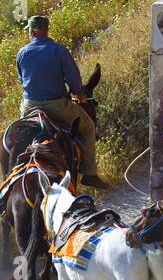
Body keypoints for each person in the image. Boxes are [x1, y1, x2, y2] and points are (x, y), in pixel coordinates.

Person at [16, 15, 108, 190]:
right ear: (45, 30)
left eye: (29, 30)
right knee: (88, 128)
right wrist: (79, 94)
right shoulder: (58, 50)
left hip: (29, 105)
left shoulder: (22, 52)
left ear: (33, 31)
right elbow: (73, 80)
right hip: (56, 105)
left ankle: (16, 169)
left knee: (20, 133)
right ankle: (89, 174)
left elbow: (22, 80)